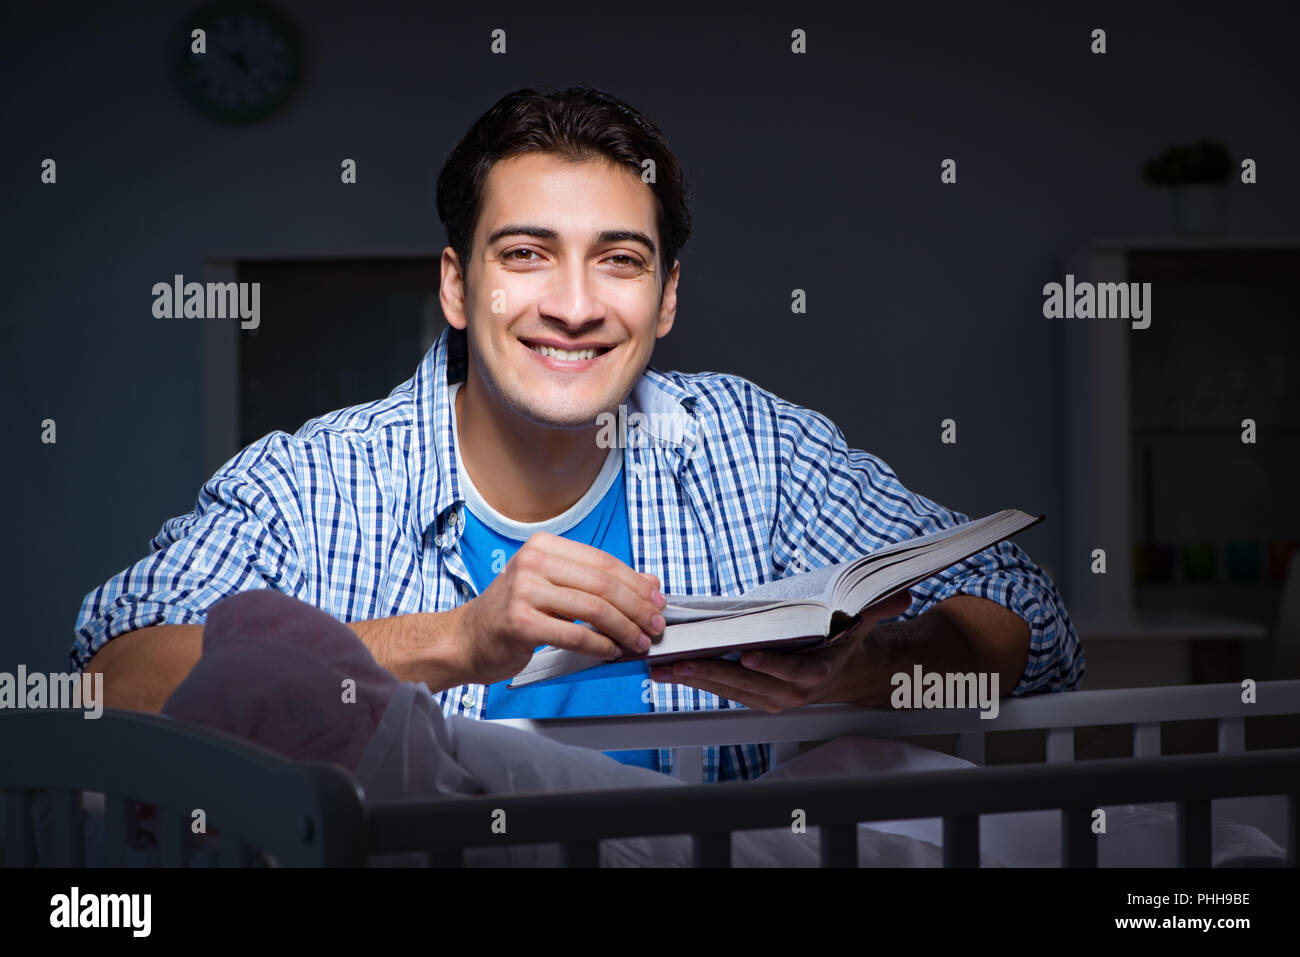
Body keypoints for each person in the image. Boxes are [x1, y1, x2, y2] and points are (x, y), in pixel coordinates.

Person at [73, 86, 1084, 782]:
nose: (573, 304)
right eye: (526, 254)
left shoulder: (757, 449)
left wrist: (858, 672)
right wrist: (460, 639)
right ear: (456, 286)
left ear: (667, 296)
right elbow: (114, 686)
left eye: (619, 260)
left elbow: (1029, 621)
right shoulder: (308, 483)